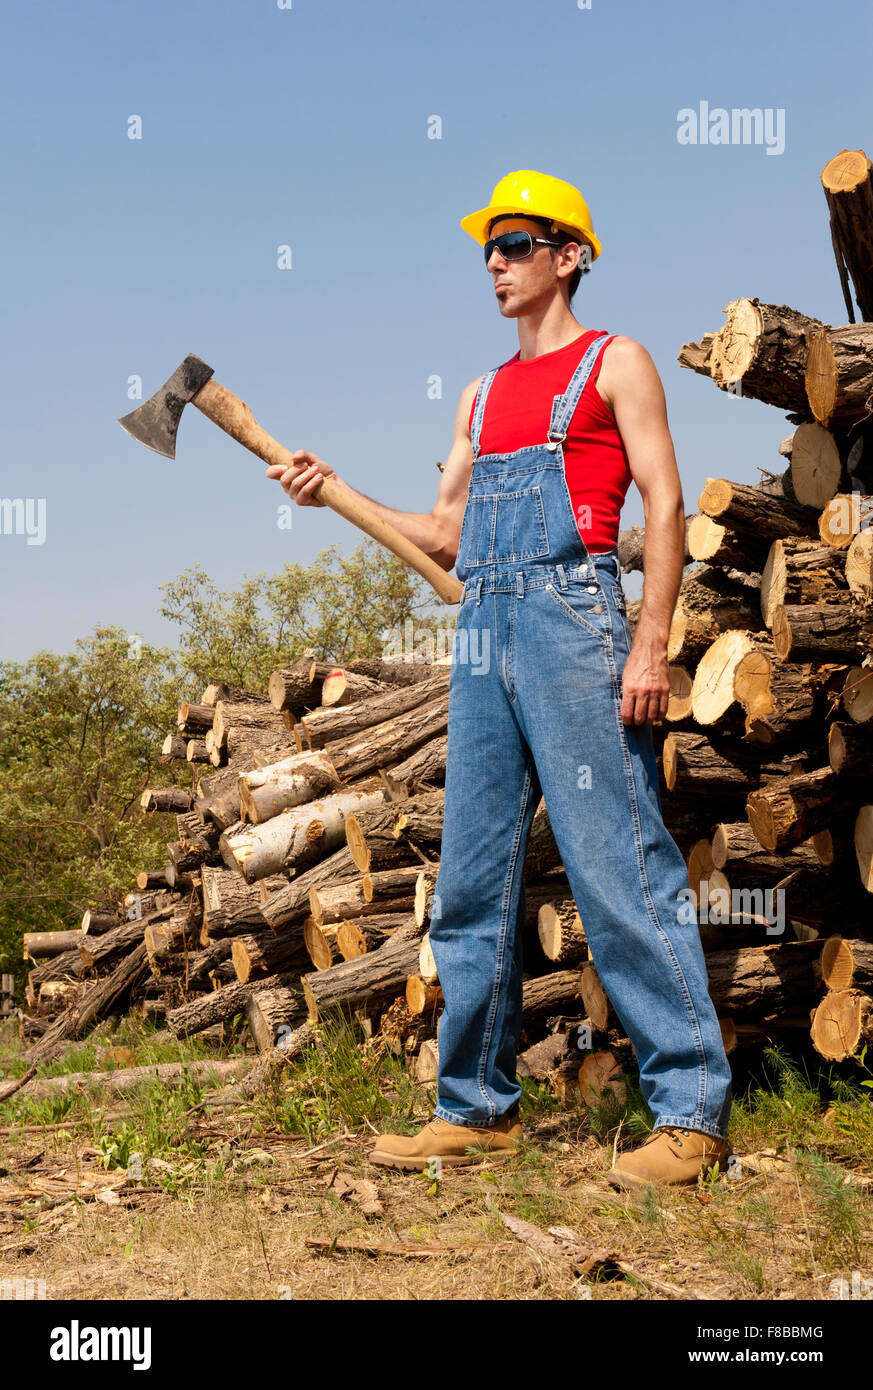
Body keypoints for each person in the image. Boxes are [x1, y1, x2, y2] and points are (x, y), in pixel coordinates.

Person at [266, 170, 733, 1190]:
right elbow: (445, 531)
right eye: (488, 245)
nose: (495, 261)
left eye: (516, 242)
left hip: (576, 618)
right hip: (481, 628)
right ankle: (476, 1109)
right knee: (472, 877)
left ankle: (692, 1111)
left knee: (617, 865)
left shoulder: (618, 363)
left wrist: (649, 641)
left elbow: (664, 509)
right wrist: (334, 486)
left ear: (570, 255)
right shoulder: (481, 394)